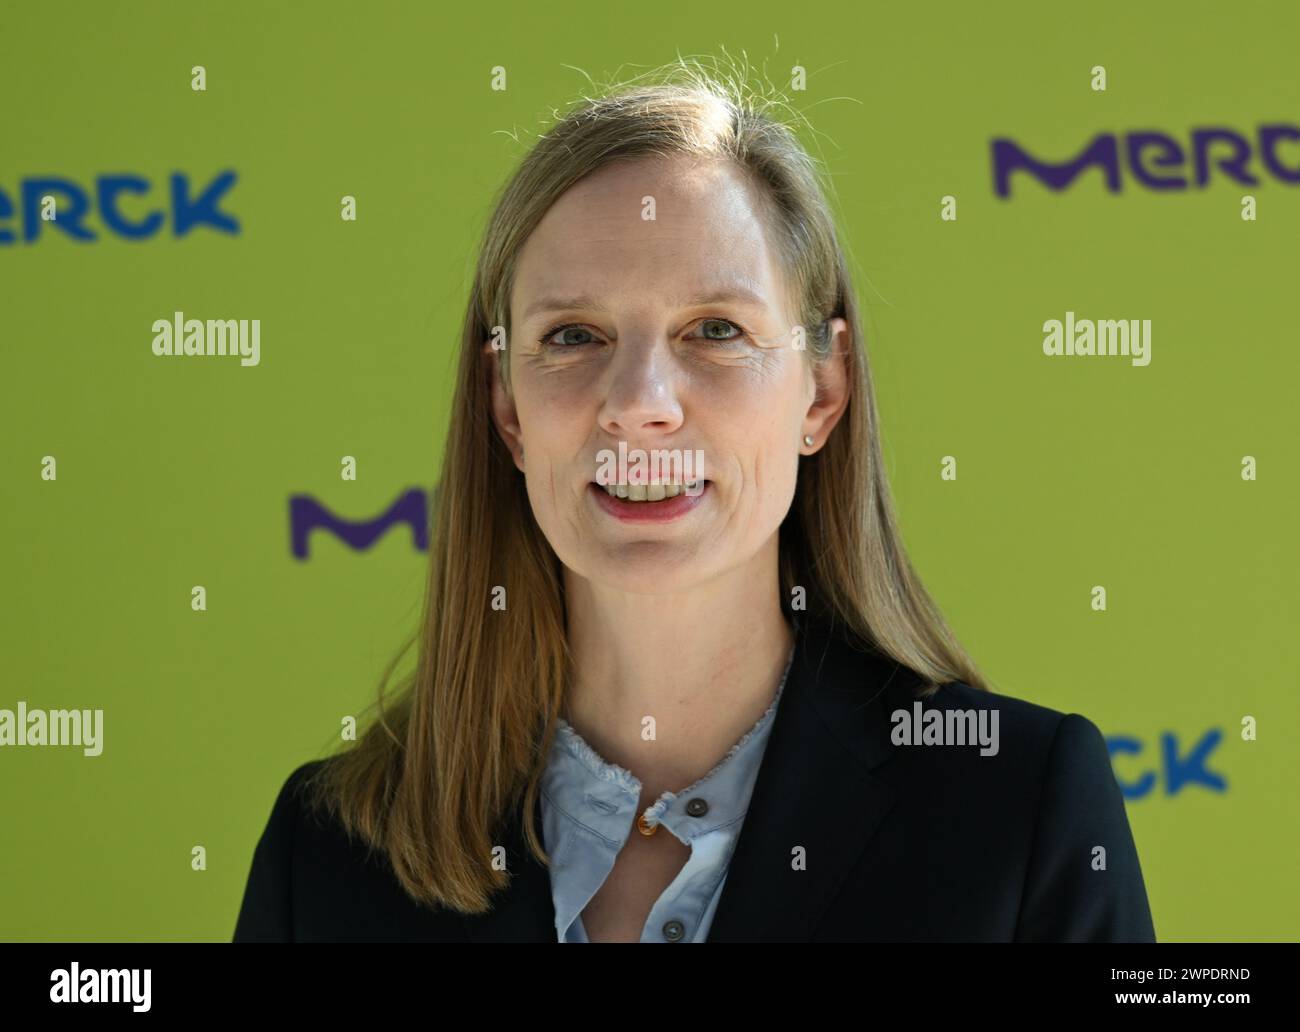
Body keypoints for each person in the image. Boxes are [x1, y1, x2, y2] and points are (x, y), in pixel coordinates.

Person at [233, 60, 1156, 943]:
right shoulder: (329, 857)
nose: (640, 403)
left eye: (715, 329)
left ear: (822, 391)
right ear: (506, 407)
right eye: (573, 336)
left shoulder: (1018, 812)